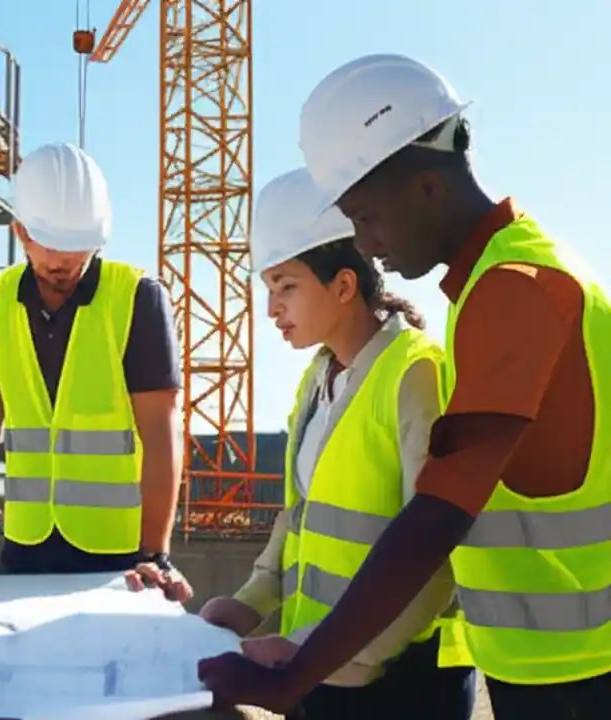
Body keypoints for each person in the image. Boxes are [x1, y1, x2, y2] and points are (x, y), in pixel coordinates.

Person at [198, 53, 611, 720]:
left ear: (425, 186)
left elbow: (440, 511)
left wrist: (298, 671)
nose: (364, 244)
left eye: (364, 217)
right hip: (549, 660)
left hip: (578, 672)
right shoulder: (501, 279)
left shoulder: (515, 288)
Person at [177, 167, 473, 719]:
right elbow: (299, 517)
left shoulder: (416, 373)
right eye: (269, 289)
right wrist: (249, 603)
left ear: (343, 286)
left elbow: (435, 553)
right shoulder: (318, 379)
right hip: (318, 665)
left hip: (404, 677)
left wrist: (312, 653)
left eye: (286, 287)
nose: (272, 309)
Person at [0, 142, 190, 597]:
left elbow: (160, 428)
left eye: (77, 248)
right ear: (20, 231)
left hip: (119, 555)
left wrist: (154, 551)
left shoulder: (137, 297)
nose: (63, 261)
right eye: (50, 245)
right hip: (25, 546)